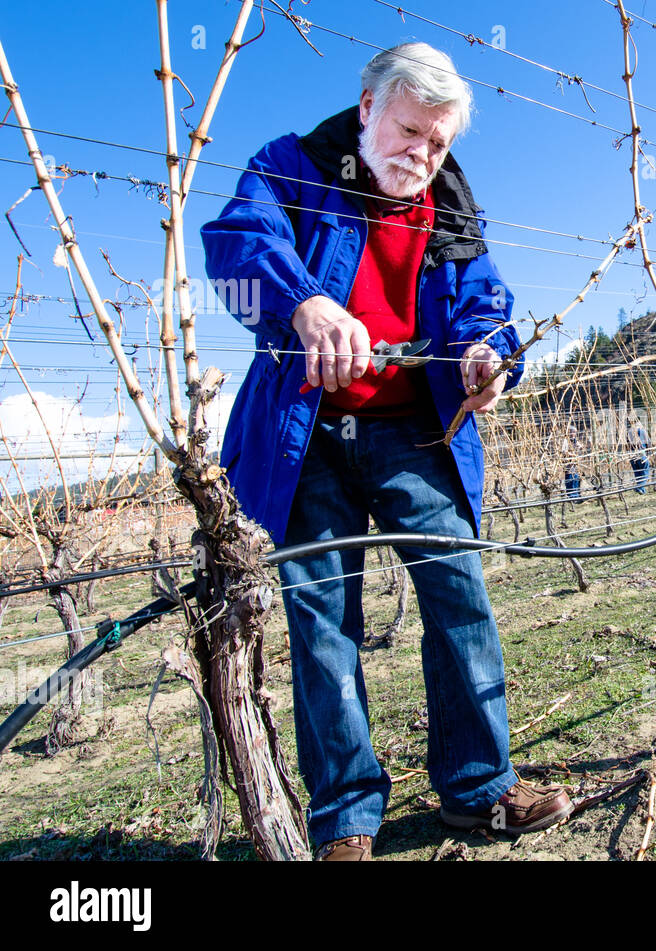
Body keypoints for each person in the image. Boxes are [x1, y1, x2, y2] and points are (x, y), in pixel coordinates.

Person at [202, 42, 572, 860]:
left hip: (414, 432)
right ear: (369, 107)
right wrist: (302, 304)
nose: (423, 156)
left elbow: (488, 305)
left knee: (459, 594)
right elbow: (232, 246)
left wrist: (488, 354)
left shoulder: (452, 205)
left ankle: (478, 791)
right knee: (325, 623)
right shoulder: (290, 165)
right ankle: (346, 822)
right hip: (308, 435)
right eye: (410, 132)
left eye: (438, 143)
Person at [627, 412, 649, 493]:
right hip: (641, 452)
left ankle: (640, 489)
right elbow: (648, 442)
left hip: (632, 454)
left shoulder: (629, 431)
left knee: (637, 472)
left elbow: (627, 444)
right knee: (645, 470)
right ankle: (640, 487)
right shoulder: (642, 430)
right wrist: (649, 451)